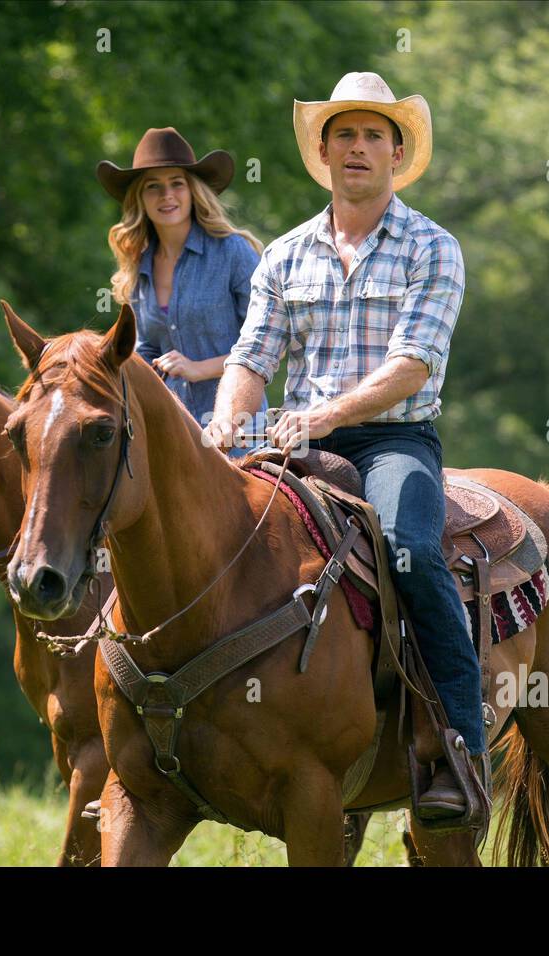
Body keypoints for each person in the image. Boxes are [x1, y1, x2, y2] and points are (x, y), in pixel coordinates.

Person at [205, 72, 487, 824]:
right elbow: (250, 358)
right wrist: (228, 419)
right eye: (344, 137)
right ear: (323, 153)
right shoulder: (285, 256)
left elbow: (412, 366)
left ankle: (461, 748)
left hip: (391, 439)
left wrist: (322, 416)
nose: (357, 149)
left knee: (410, 551)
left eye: (372, 137)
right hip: (292, 440)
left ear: (397, 154)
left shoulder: (434, 248)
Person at [99, 127, 266, 449]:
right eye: (153, 187)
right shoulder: (139, 264)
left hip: (238, 435)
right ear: (140, 198)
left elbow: (268, 345)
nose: (167, 196)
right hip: (169, 435)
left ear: (193, 191)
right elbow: (145, 348)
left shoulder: (233, 252)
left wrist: (197, 368)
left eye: (177, 183)